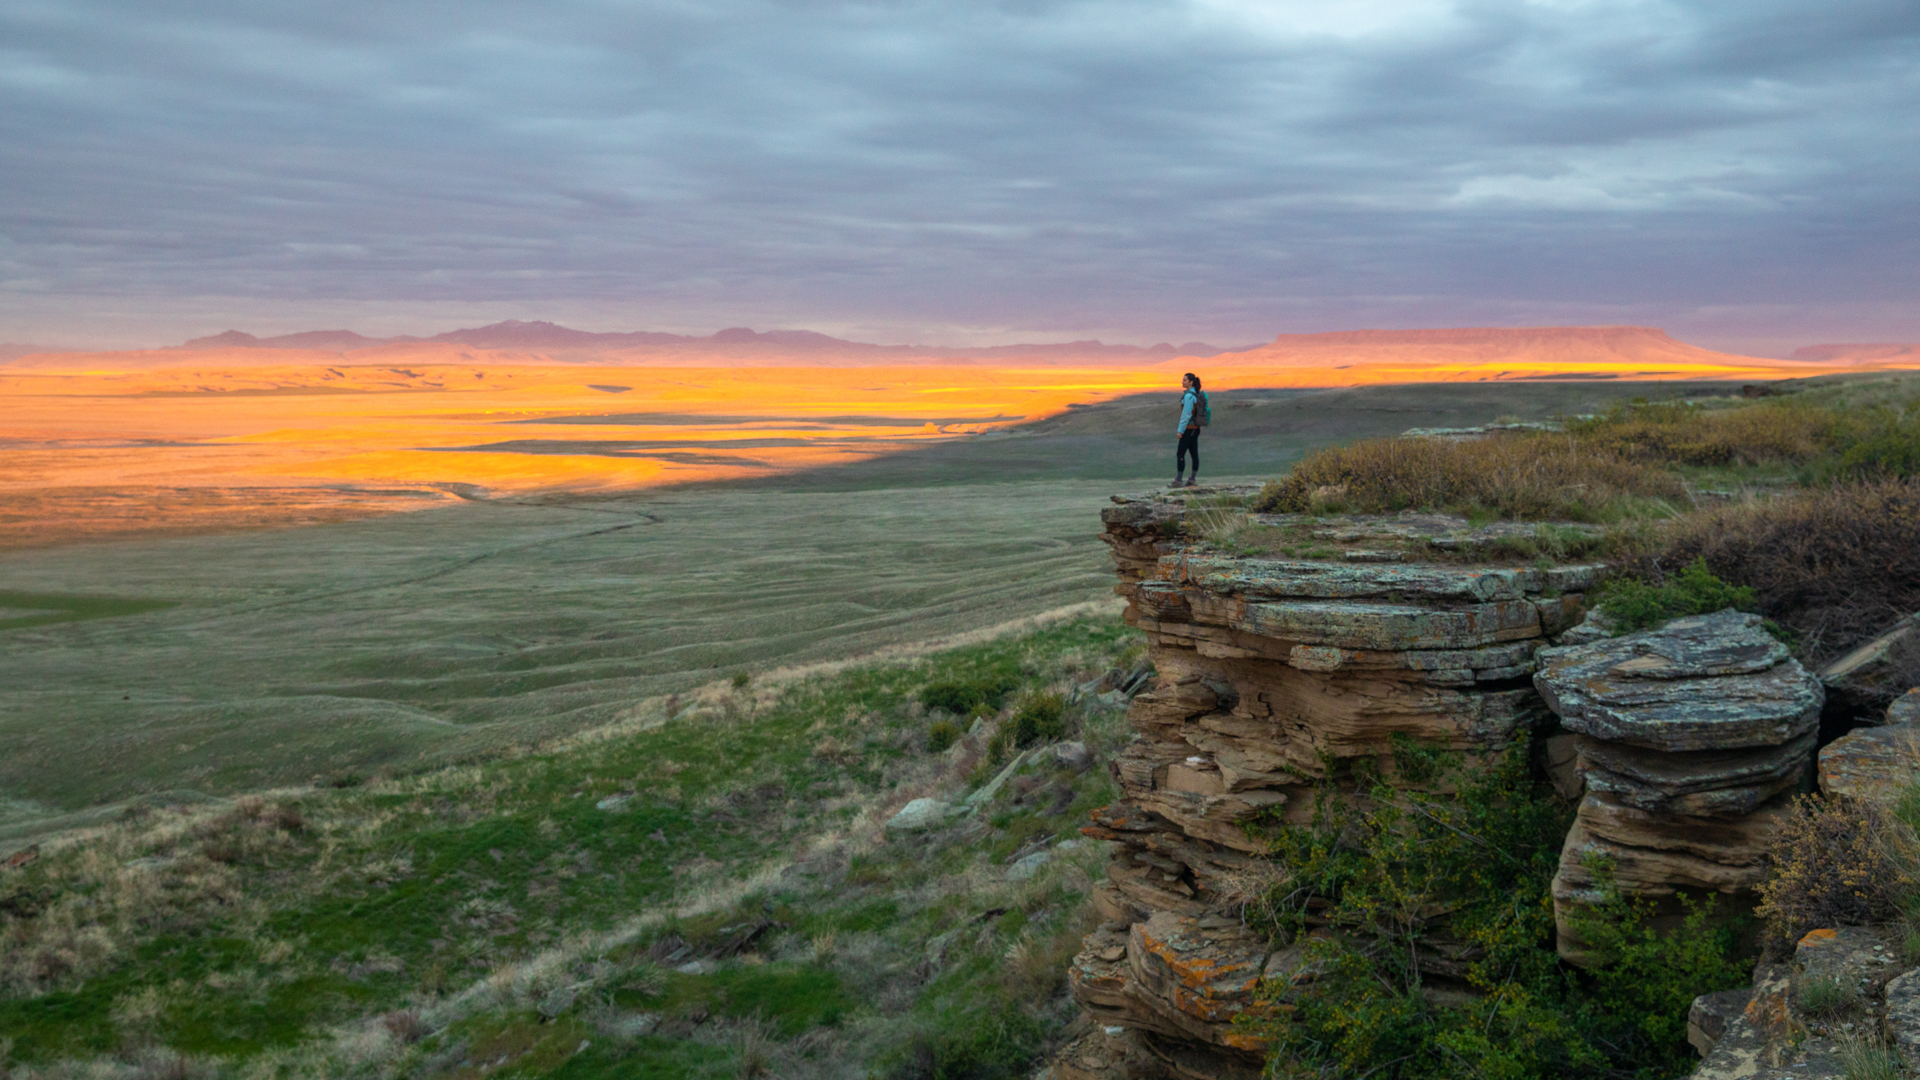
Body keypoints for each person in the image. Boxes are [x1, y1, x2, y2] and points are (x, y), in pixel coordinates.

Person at [1174, 372, 1207, 487]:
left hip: (1188, 429)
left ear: (1191, 382)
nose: (1182, 382)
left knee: (1180, 454)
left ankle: (1178, 480)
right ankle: (1192, 479)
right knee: (1194, 454)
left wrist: (1180, 430)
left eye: (1185, 380)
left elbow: (1186, 414)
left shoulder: (1189, 396)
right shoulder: (1196, 394)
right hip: (1196, 429)